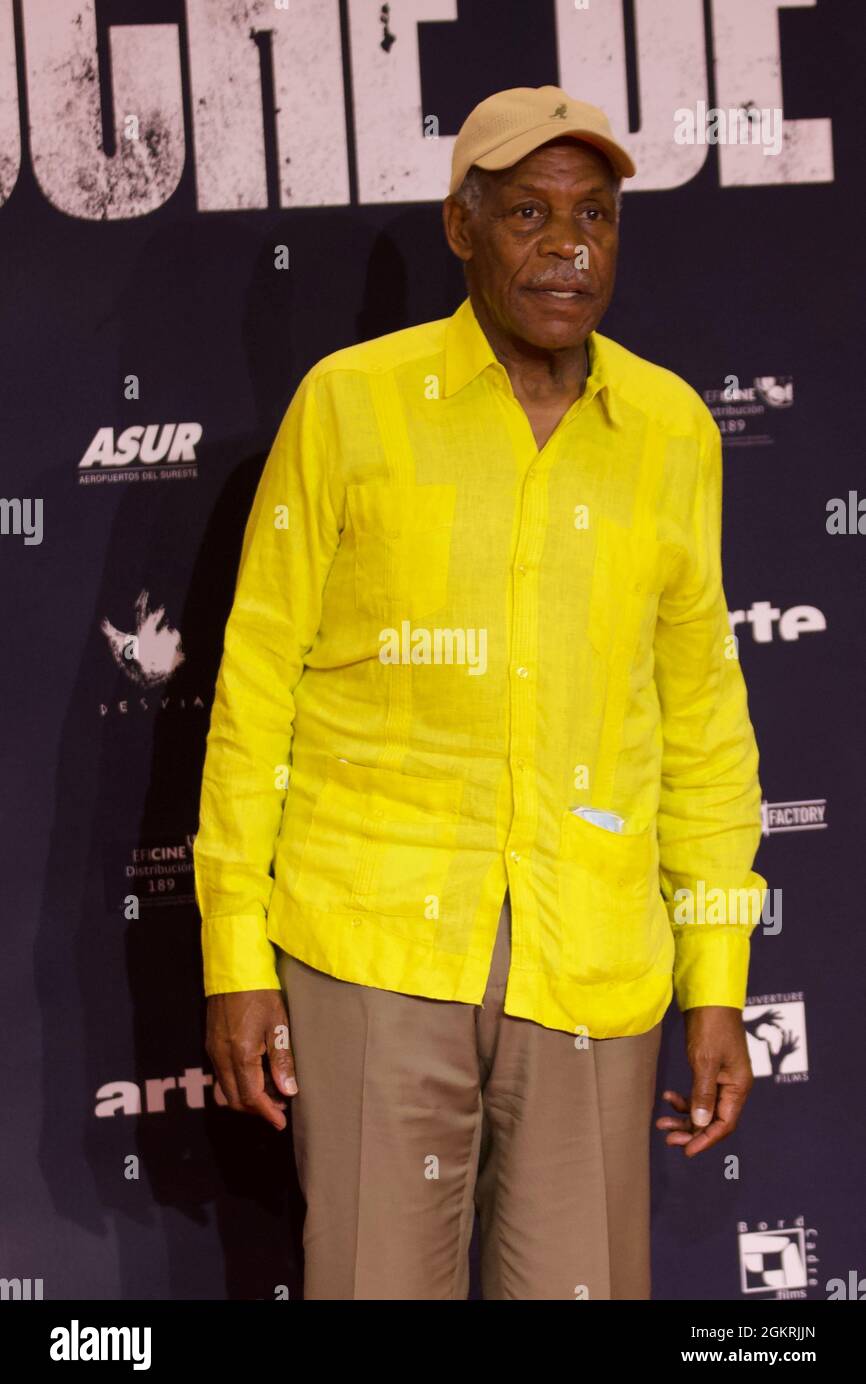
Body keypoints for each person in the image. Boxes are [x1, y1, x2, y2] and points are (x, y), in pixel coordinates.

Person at [194, 85, 767, 1300]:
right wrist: (232, 949)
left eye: (597, 217)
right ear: (461, 229)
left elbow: (703, 721)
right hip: (374, 941)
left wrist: (718, 972)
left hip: (590, 955)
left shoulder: (668, 429)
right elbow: (257, 689)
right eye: (528, 214)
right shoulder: (348, 403)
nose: (569, 245)